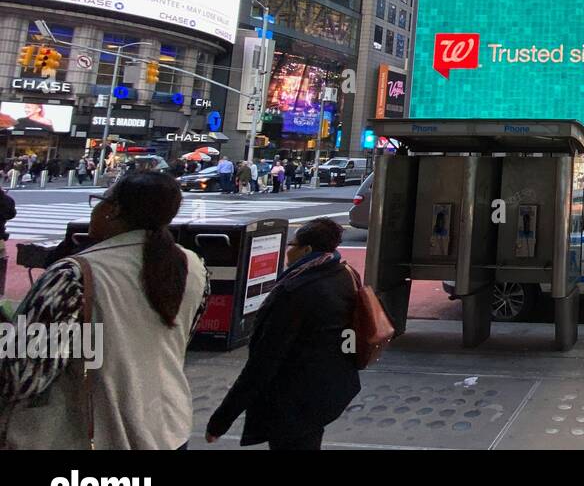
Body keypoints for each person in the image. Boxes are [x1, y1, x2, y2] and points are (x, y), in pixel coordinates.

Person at [0, 173, 209, 449]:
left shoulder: (73, 275)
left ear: (114, 210)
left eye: (99, 201)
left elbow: (24, 377)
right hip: (168, 429)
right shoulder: (194, 266)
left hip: (90, 435)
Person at [206, 219, 360, 450]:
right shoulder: (343, 273)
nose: (288, 249)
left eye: (292, 244)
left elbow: (262, 363)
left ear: (306, 250)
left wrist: (221, 420)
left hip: (293, 399)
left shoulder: (293, 292)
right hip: (331, 387)